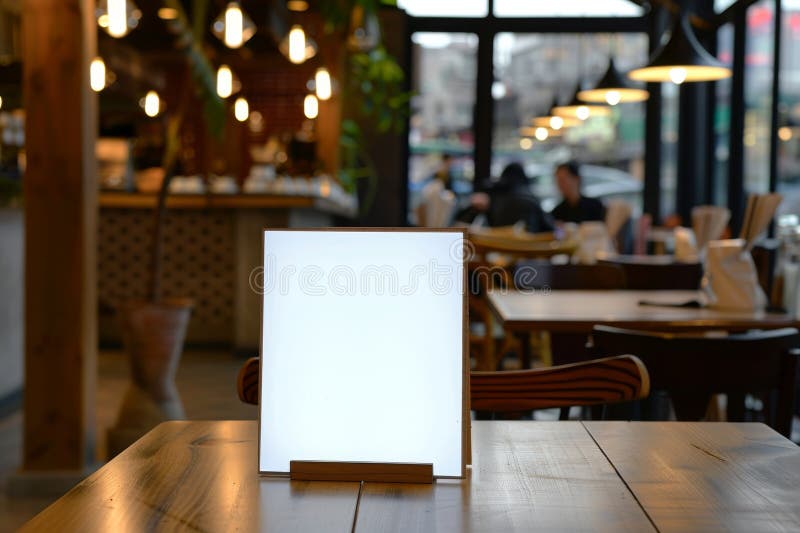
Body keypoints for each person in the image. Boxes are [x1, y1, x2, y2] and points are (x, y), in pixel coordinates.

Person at [459, 162, 553, 233]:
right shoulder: (531, 197)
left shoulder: (492, 197)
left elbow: (461, 224)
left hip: (498, 248)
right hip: (529, 252)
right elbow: (551, 229)